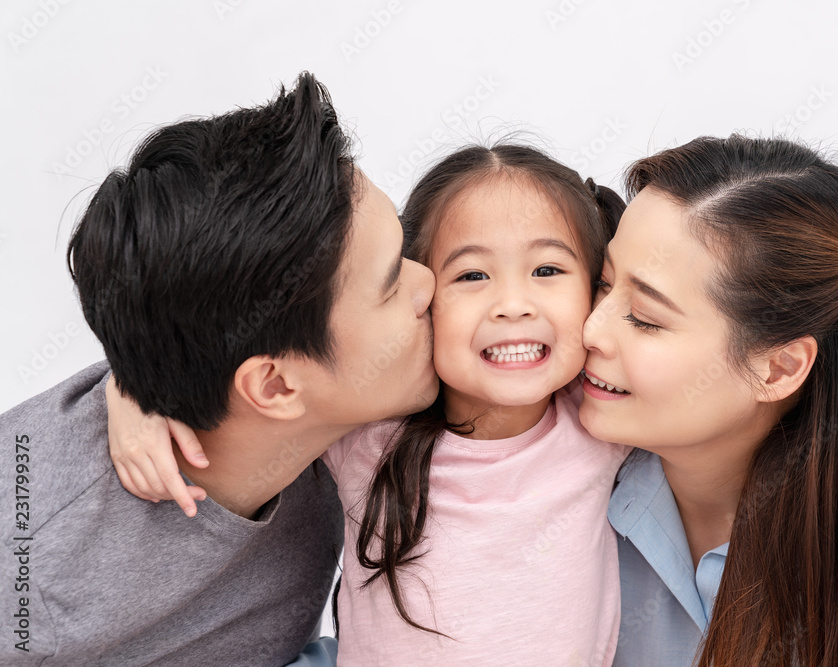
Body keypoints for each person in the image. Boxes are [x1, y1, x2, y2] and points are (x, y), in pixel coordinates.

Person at [108, 144, 632, 665]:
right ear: (422, 297)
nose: (513, 306)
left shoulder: (602, 421)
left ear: (595, 291)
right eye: (472, 276)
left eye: (547, 271)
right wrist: (132, 394)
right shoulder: (370, 433)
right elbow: (201, 341)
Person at [0, 72, 437, 666]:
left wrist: (126, 387)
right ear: (275, 386)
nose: (430, 283)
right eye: (391, 285)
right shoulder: (32, 567)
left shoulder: (323, 411)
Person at [580, 134, 838, 665]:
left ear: (778, 367)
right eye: (602, 282)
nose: (590, 330)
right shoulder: (554, 448)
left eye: (645, 317)